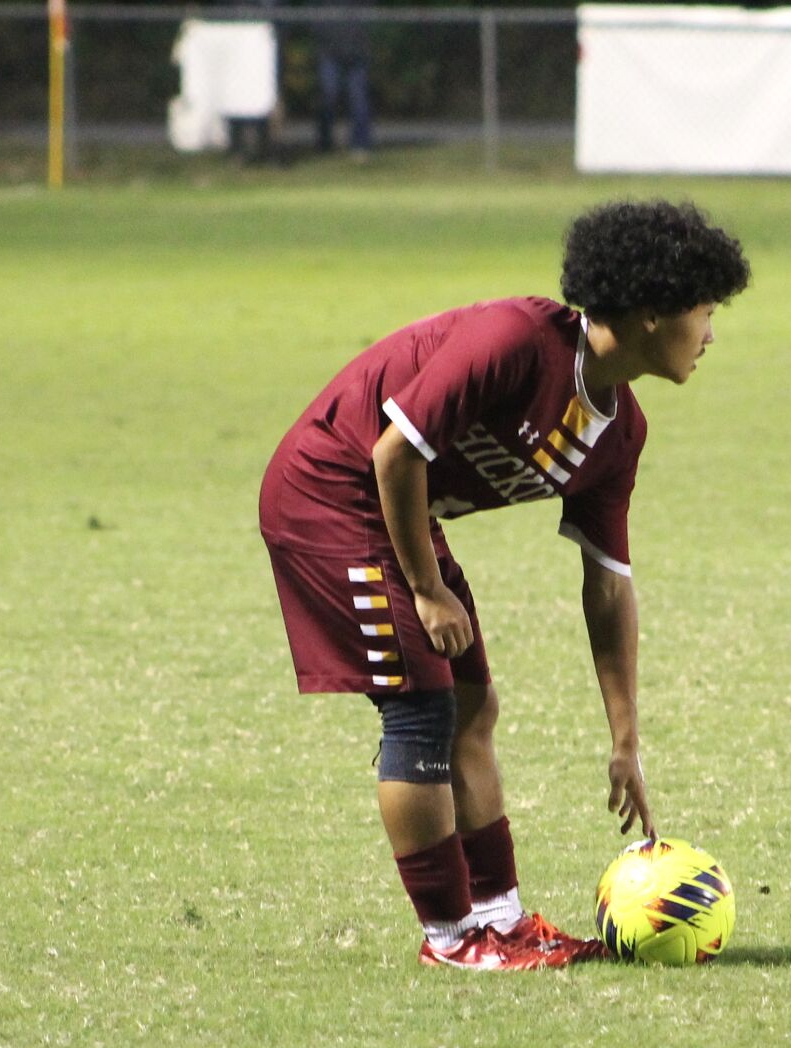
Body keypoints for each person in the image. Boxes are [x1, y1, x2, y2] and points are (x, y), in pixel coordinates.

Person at [258, 200, 751, 970]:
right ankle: (452, 939)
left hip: (399, 512)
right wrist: (425, 589)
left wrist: (626, 742)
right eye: (706, 310)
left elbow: (608, 588)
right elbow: (393, 454)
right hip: (331, 492)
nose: (713, 333)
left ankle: (501, 920)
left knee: (471, 705)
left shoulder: (620, 433)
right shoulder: (516, 341)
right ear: (654, 311)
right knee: (421, 708)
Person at [309, 0, 374, 161]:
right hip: (329, 50)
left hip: (357, 51)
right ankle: (324, 143)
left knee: (359, 99)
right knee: (328, 96)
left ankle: (360, 144)